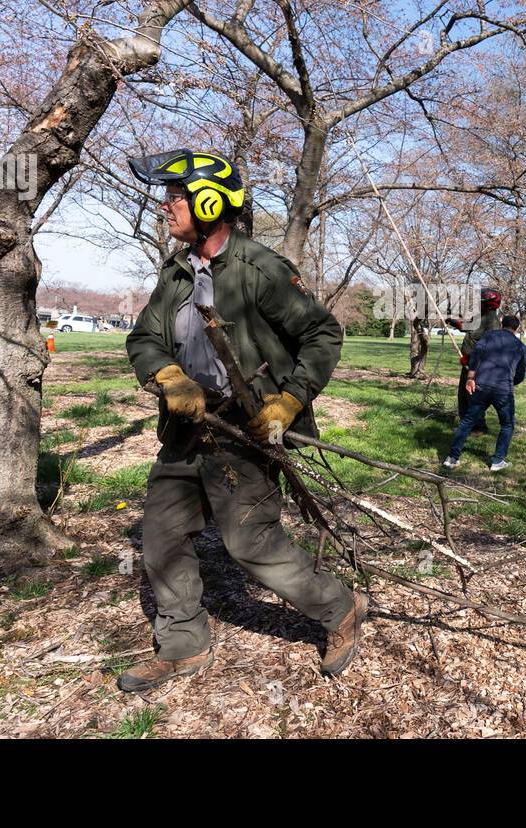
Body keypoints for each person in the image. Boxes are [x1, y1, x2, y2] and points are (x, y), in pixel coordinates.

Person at [120, 148, 367, 692]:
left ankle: (341, 607)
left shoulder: (261, 270)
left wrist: (290, 400)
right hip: (186, 427)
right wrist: (167, 375)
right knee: (161, 536)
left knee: (248, 542)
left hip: (248, 428)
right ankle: (184, 643)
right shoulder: (177, 273)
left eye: (177, 197)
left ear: (210, 203)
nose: (167, 207)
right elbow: (143, 337)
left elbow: (323, 334)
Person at [442, 314, 526, 472]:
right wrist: (510, 382)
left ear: (502, 324)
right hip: (503, 390)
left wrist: (470, 378)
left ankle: (452, 458)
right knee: (507, 425)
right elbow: (521, 374)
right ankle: (498, 461)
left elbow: (475, 356)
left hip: (482, 386)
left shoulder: (488, 337)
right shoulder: (520, 346)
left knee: (468, 421)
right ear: (517, 328)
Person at [446, 288, 502, 432]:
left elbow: (490, 348)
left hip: (477, 366)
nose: (478, 304)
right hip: (469, 362)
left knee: (473, 396)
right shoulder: (480, 316)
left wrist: (473, 362)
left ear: (490, 304)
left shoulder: (493, 322)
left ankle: (478, 427)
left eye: (481, 302)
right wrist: (452, 321)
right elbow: (466, 327)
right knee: (463, 396)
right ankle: (466, 425)